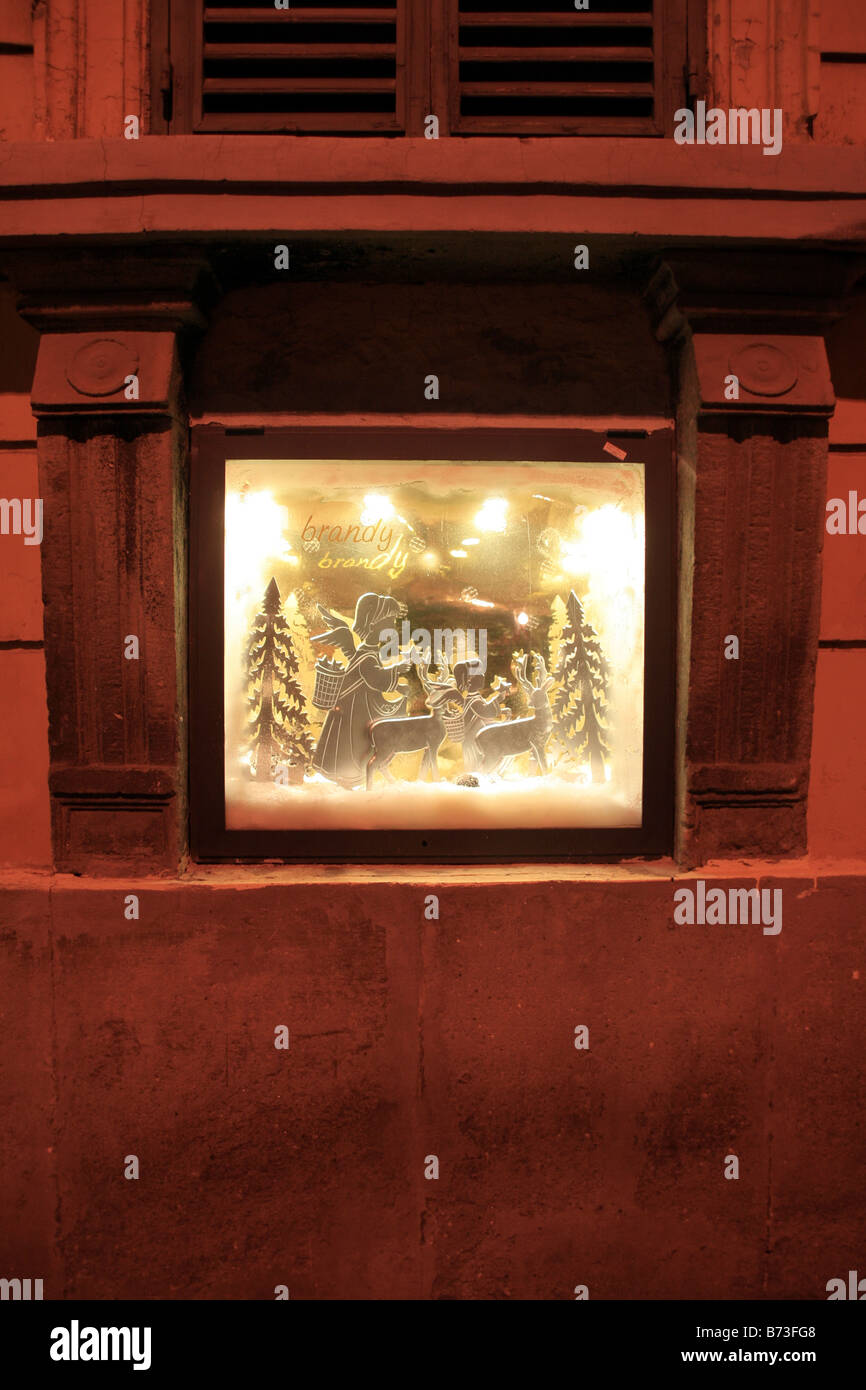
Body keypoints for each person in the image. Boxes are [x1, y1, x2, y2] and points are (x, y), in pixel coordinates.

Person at [312, 592, 410, 786]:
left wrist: (396, 683)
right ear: (374, 624)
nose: (393, 627)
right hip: (353, 712)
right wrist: (397, 669)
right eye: (389, 621)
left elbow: (370, 677)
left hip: (357, 706)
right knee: (352, 744)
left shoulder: (367, 651)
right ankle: (347, 776)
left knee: (358, 743)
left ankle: (352, 776)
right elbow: (375, 678)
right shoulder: (367, 655)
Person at [453, 657, 511, 773]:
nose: (483, 677)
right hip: (473, 741)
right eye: (479, 675)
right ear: (470, 680)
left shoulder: (475, 697)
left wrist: (501, 709)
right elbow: (485, 711)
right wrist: (499, 697)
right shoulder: (472, 699)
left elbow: (486, 711)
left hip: (479, 737)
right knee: (476, 765)